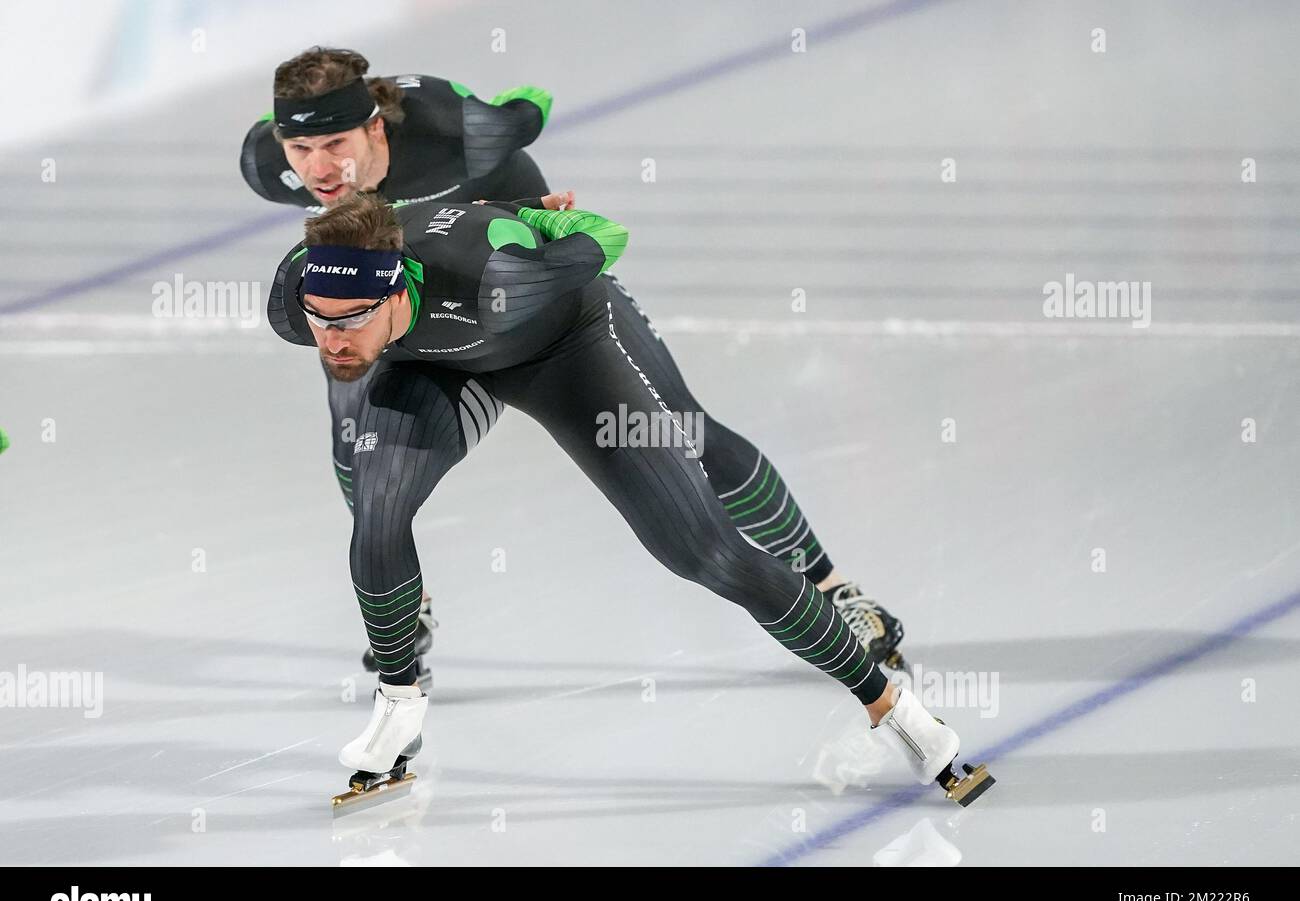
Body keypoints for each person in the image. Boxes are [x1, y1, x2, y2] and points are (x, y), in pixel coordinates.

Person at [265, 192, 992, 812]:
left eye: (351, 320)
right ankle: (398, 706)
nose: (331, 341)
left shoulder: (498, 275)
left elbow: (604, 240)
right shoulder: (301, 298)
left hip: (562, 349)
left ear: (397, 294)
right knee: (377, 513)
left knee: (706, 553)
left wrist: (547, 224)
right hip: (437, 366)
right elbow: (342, 307)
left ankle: (893, 708)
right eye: (320, 320)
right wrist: (347, 329)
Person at [243, 47, 911, 684]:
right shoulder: (266, 164)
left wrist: (541, 219)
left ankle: (831, 589)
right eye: (301, 150)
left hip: (539, 303)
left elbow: (529, 104)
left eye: (335, 146)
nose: (319, 170)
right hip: (417, 317)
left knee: (679, 431)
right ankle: (401, 604)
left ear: (375, 126)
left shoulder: (453, 128)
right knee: (354, 432)